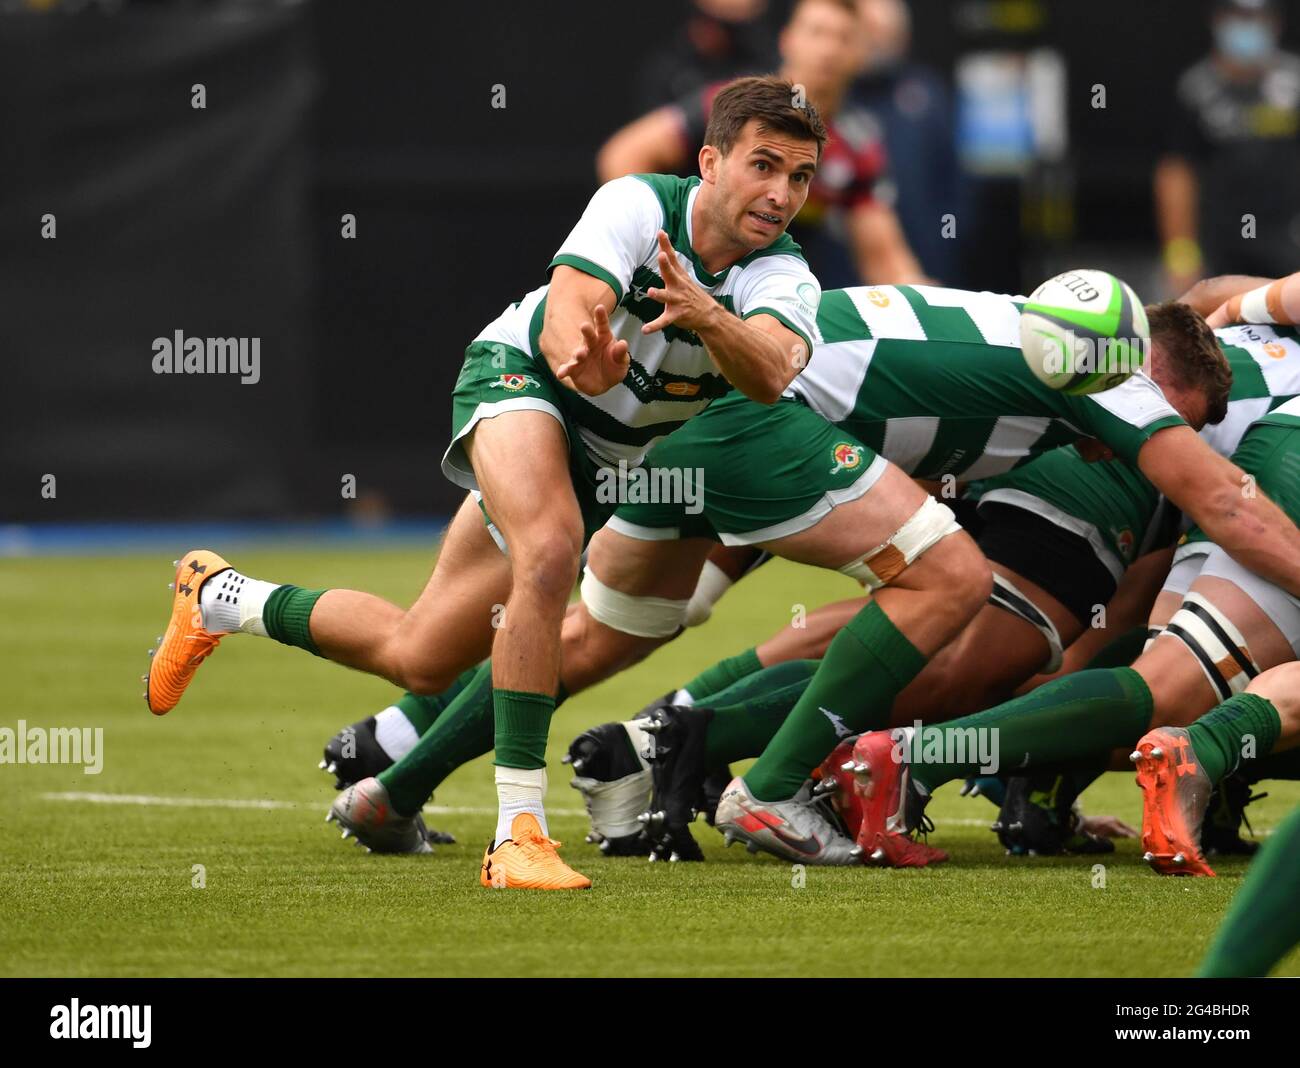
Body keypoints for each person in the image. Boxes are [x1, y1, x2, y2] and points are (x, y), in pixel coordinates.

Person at [143, 75, 828, 891]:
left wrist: (710, 316)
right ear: (710, 163)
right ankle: (519, 835)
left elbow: (771, 370)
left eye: (800, 176)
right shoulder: (637, 206)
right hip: (521, 381)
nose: (781, 193)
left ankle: (222, 597)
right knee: (551, 548)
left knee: (420, 657)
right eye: (764, 166)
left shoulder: (783, 277)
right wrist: (585, 351)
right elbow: (567, 310)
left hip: (604, 459)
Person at [599, 0, 928, 288]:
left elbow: (886, 259)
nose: (828, 49)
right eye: (817, 33)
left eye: (843, 38)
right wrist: (658, 249)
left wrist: (934, 306)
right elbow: (624, 154)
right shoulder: (733, 103)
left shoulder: (856, 145)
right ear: (788, 41)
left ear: (860, 54)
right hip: (681, 278)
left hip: (767, 295)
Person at [1154, 0, 1300, 297]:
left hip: (1290, 243)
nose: (1248, 26)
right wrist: (1181, 253)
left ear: (1275, 23)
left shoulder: (1295, 83)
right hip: (1220, 249)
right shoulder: (1195, 89)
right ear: (1219, 20)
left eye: (1257, 17)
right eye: (1240, 16)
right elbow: (1176, 173)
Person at [851, 0, 963, 283]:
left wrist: (943, 245)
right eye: (868, 31)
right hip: (844, 268)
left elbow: (956, 181)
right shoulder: (834, 97)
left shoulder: (927, 93)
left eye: (885, 32)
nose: (876, 41)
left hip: (923, 261)